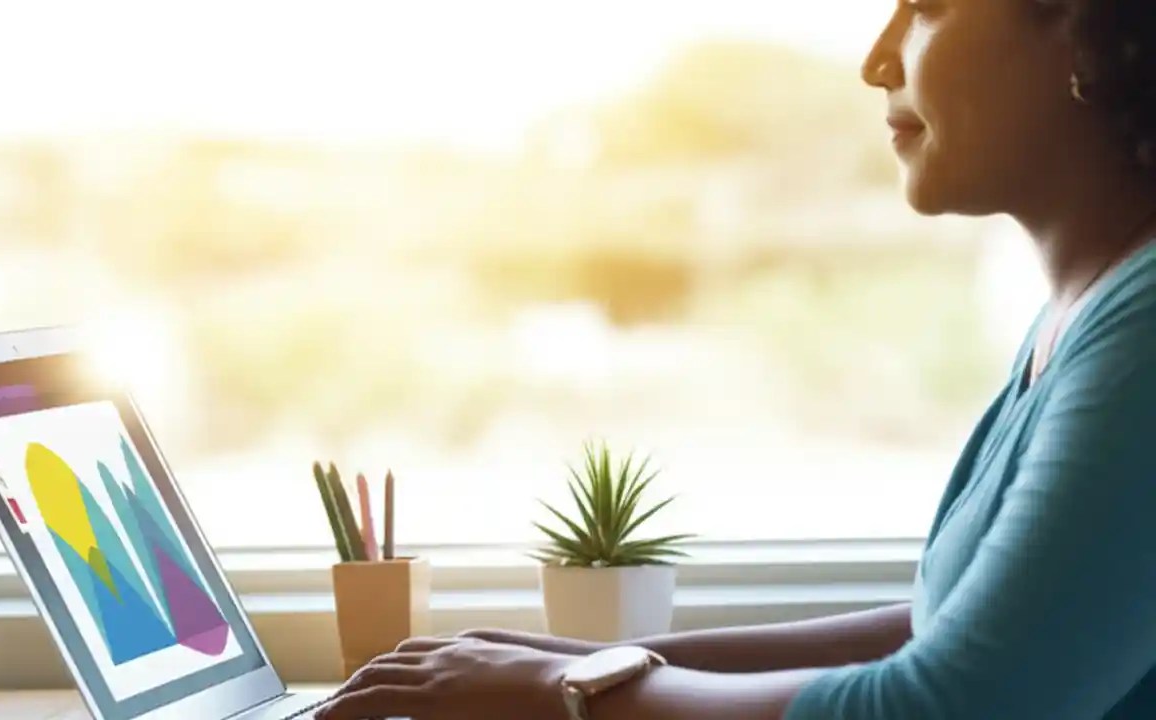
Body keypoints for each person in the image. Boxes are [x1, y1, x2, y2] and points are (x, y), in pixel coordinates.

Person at [316, 0, 1156, 717]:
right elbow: (961, 630)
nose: (876, 60)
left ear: (1083, 31)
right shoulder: (1087, 310)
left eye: (927, 6)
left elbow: (949, 705)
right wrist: (593, 657)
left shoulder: (1144, 333)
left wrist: (560, 687)